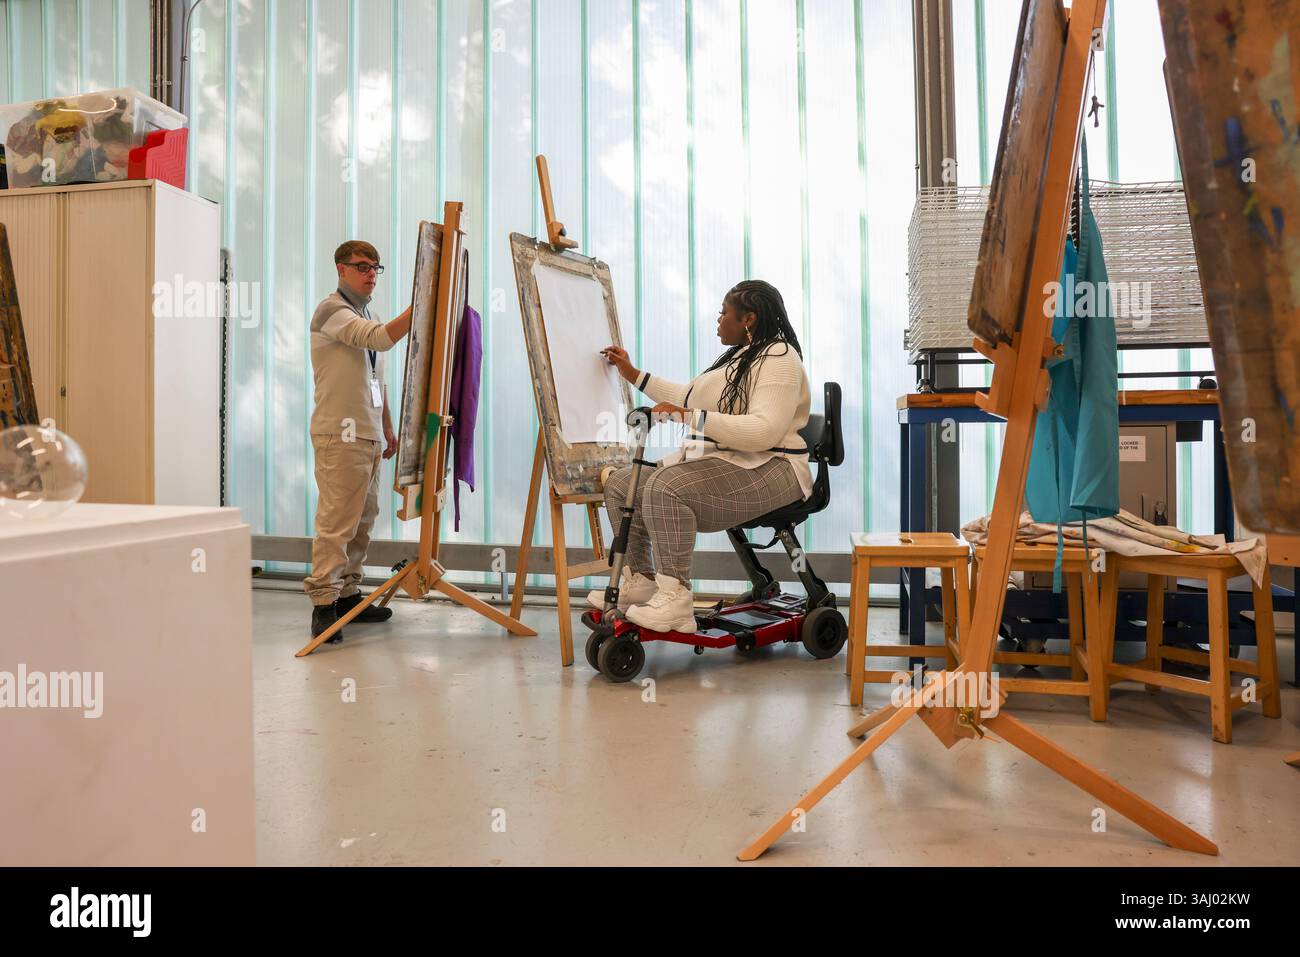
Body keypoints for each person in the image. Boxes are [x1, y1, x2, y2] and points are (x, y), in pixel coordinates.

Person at [594, 279, 812, 633]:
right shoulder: (744, 356)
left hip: (778, 469)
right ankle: (643, 581)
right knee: (621, 483)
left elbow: (764, 431)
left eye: (725, 312)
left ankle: (676, 599)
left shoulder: (779, 358)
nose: (718, 319)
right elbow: (688, 395)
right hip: (739, 462)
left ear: (749, 319)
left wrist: (688, 417)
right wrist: (633, 375)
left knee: (667, 486)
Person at [304, 240, 414, 641]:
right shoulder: (332, 310)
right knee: (337, 522)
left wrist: (385, 426)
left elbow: (376, 380)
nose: (371, 274)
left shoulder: (369, 314)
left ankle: (349, 594)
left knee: (363, 521)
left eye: (376, 268)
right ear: (341, 269)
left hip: (365, 433)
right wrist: (421, 306)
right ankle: (323, 604)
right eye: (363, 266)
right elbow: (381, 339)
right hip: (340, 432)